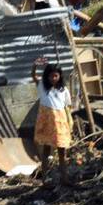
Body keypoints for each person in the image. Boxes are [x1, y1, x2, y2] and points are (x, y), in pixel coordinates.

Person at [31, 57, 73, 187]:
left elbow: (68, 108)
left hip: (60, 124)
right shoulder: (42, 86)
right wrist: (35, 65)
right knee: (46, 151)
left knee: (62, 151)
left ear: (60, 76)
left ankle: (64, 179)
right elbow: (33, 76)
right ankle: (45, 180)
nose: (53, 78)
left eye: (56, 76)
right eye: (51, 76)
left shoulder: (64, 90)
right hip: (47, 123)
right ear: (46, 76)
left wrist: (70, 123)